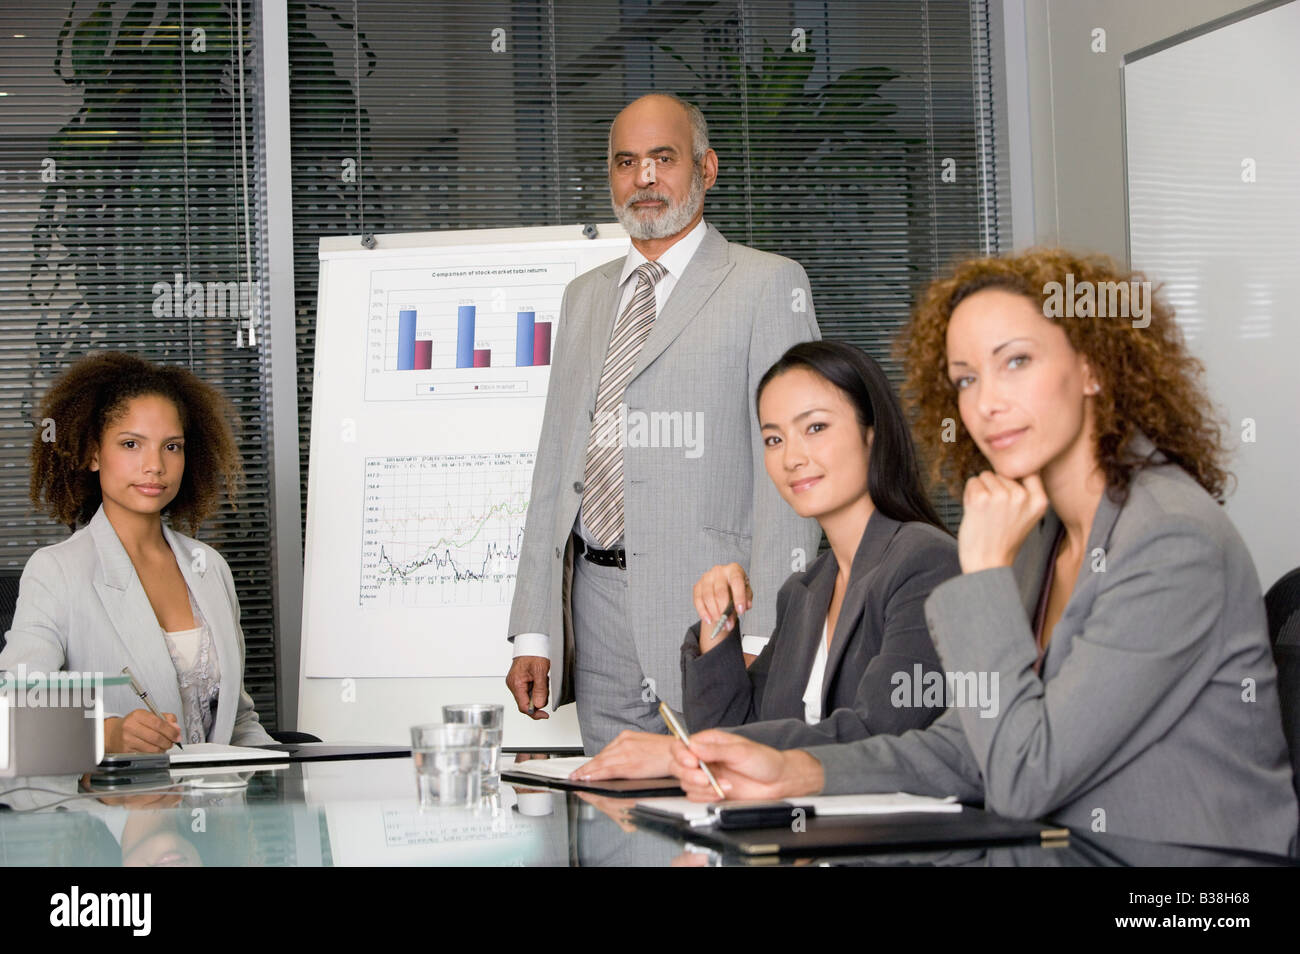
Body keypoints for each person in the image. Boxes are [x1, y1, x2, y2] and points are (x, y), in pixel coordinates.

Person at [667, 249, 1298, 855]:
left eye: (1016, 361)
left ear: (1093, 367)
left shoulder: (1167, 540)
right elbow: (965, 747)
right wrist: (794, 772)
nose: (986, 402)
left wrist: (985, 577)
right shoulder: (1043, 537)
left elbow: (1027, 776)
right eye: (966, 379)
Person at [505, 92, 821, 753]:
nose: (643, 178)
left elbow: (796, 473)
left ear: (706, 169)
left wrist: (765, 631)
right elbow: (555, 465)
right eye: (626, 162)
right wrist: (534, 630)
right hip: (596, 615)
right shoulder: (584, 298)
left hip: (715, 620)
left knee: (720, 824)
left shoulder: (767, 285)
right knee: (617, 826)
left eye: (662, 158)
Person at [573, 341, 960, 781]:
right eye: (774, 439)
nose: (791, 458)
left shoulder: (928, 564)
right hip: (800, 840)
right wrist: (717, 626)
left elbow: (875, 738)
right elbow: (737, 731)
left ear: (873, 434)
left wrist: (683, 753)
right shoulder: (806, 590)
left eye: (815, 428)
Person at [1, 351, 274, 753]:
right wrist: (106, 735)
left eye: (172, 447)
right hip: (126, 808)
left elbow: (238, 721)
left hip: (222, 807)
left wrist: (282, 780)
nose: (155, 466)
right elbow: (12, 713)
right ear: (94, 454)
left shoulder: (209, 567)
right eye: (131, 444)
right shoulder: (57, 570)